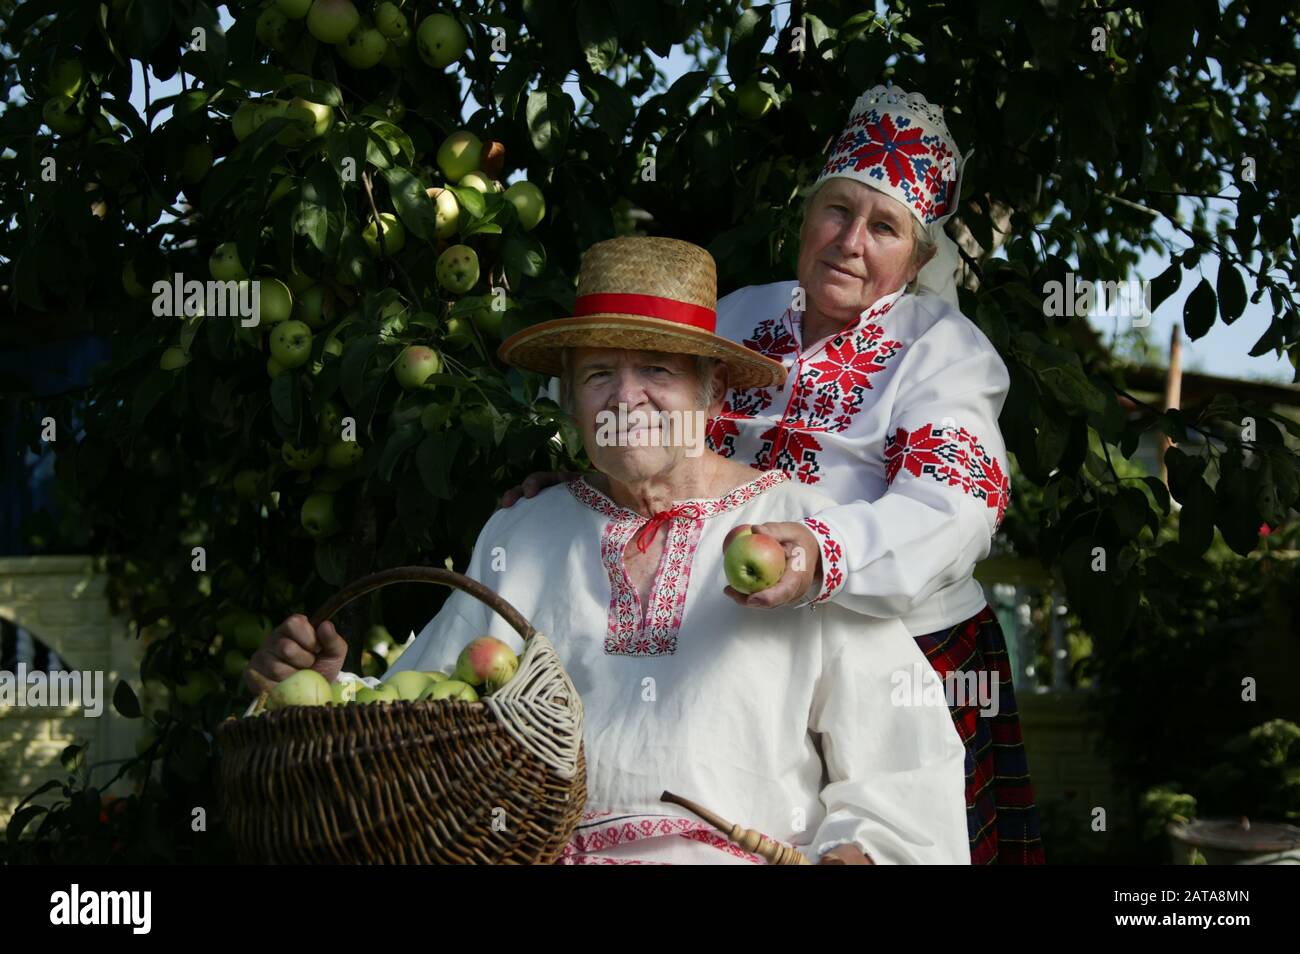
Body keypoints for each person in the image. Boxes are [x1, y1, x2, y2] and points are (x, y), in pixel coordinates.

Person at [246, 235, 969, 865]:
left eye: (656, 370)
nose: (626, 400)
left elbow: (902, 754)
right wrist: (325, 696)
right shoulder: (525, 531)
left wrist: (861, 850)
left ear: (712, 392)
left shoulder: (801, 535)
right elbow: (428, 727)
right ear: (568, 400)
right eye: (598, 375)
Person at [499, 85, 1046, 865]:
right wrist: (580, 498)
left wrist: (819, 552)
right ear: (805, 216)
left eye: (883, 226)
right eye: (836, 211)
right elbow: (657, 424)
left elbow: (953, 508)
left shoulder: (942, 349)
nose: (851, 241)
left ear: (919, 257)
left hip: (903, 649)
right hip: (740, 627)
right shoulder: (737, 317)